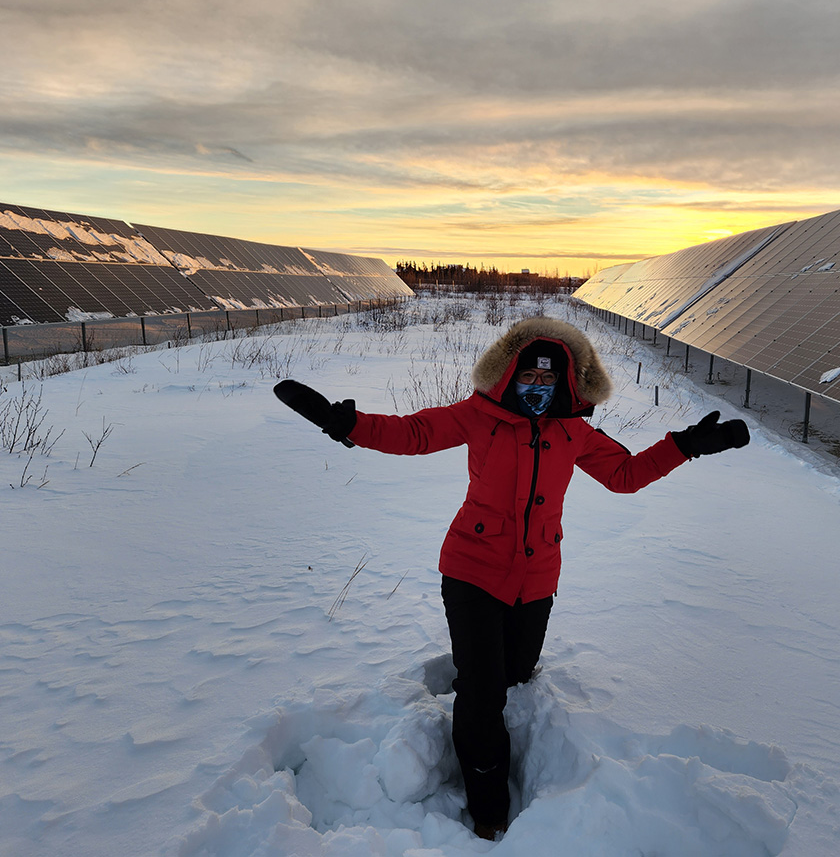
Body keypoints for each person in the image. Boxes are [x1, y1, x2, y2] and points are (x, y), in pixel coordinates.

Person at [273, 315, 749, 840]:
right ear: (507, 376)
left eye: (548, 380)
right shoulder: (479, 417)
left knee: (516, 673)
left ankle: (486, 688)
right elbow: (414, 433)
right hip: (472, 568)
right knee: (481, 695)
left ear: (568, 383)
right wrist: (349, 425)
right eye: (528, 377)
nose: (537, 387)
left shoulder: (575, 431)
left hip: (538, 577)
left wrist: (685, 445)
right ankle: (489, 809)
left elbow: (625, 475)